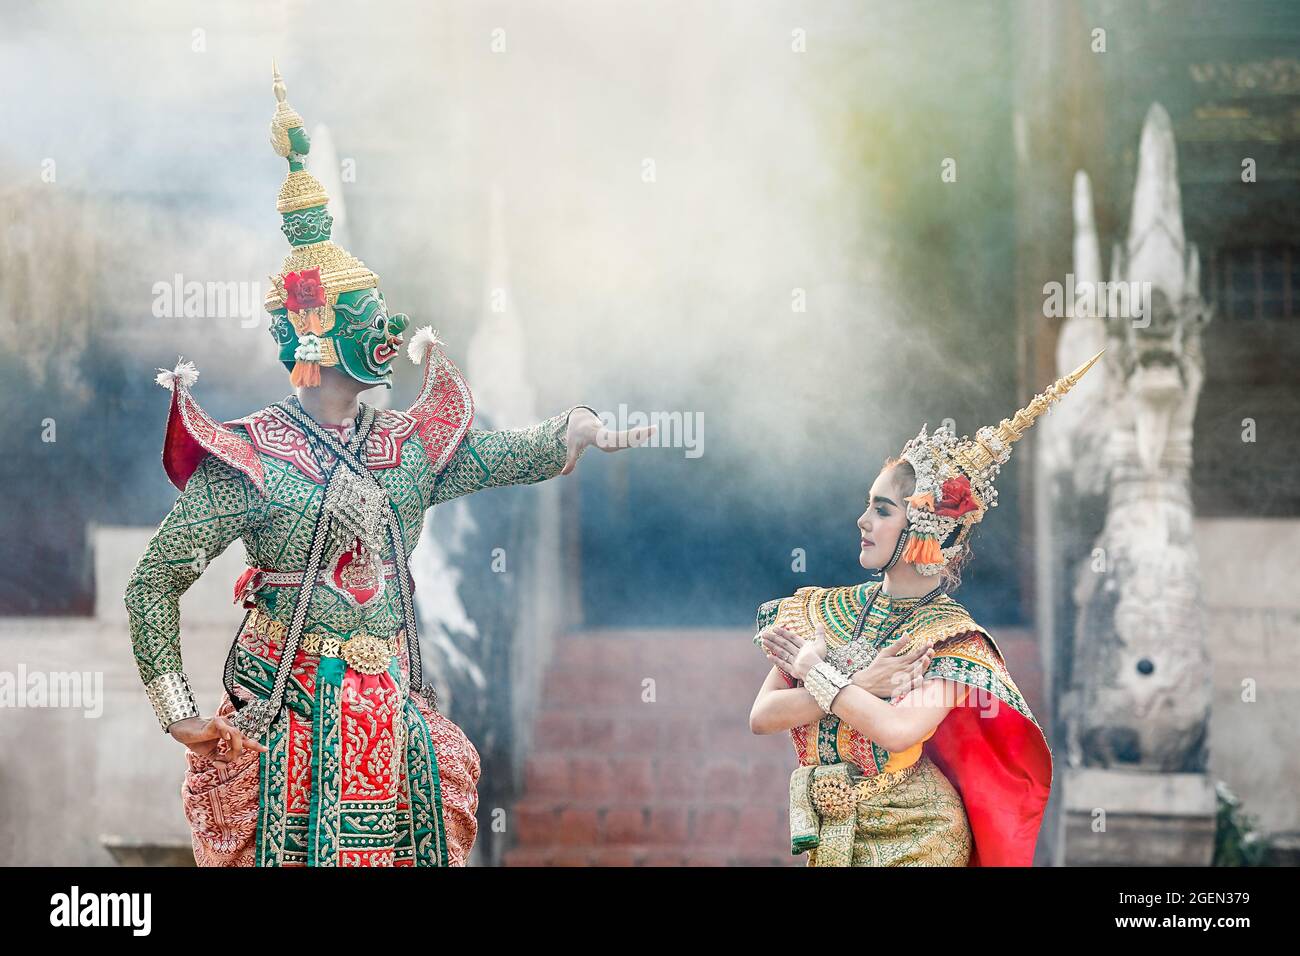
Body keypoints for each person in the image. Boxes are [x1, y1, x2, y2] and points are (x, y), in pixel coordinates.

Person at [123, 68, 651, 867]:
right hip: (290, 721)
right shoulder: (253, 458)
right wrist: (179, 711)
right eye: (371, 318)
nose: (389, 329)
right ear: (318, 333)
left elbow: (489, 457)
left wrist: (570, 431)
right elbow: (152, 581)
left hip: (395, 715)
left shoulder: (402, 445)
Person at [749, 351, 1103, 866]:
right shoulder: (824, 609)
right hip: (833, 838)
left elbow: (897, 730)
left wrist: (816, 674)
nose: (861, 520)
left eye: (882, 509)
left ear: (924, 529)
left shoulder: (953, 638)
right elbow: (762, 716)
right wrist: (863, 684)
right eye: (869, 504)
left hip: (921, 836)